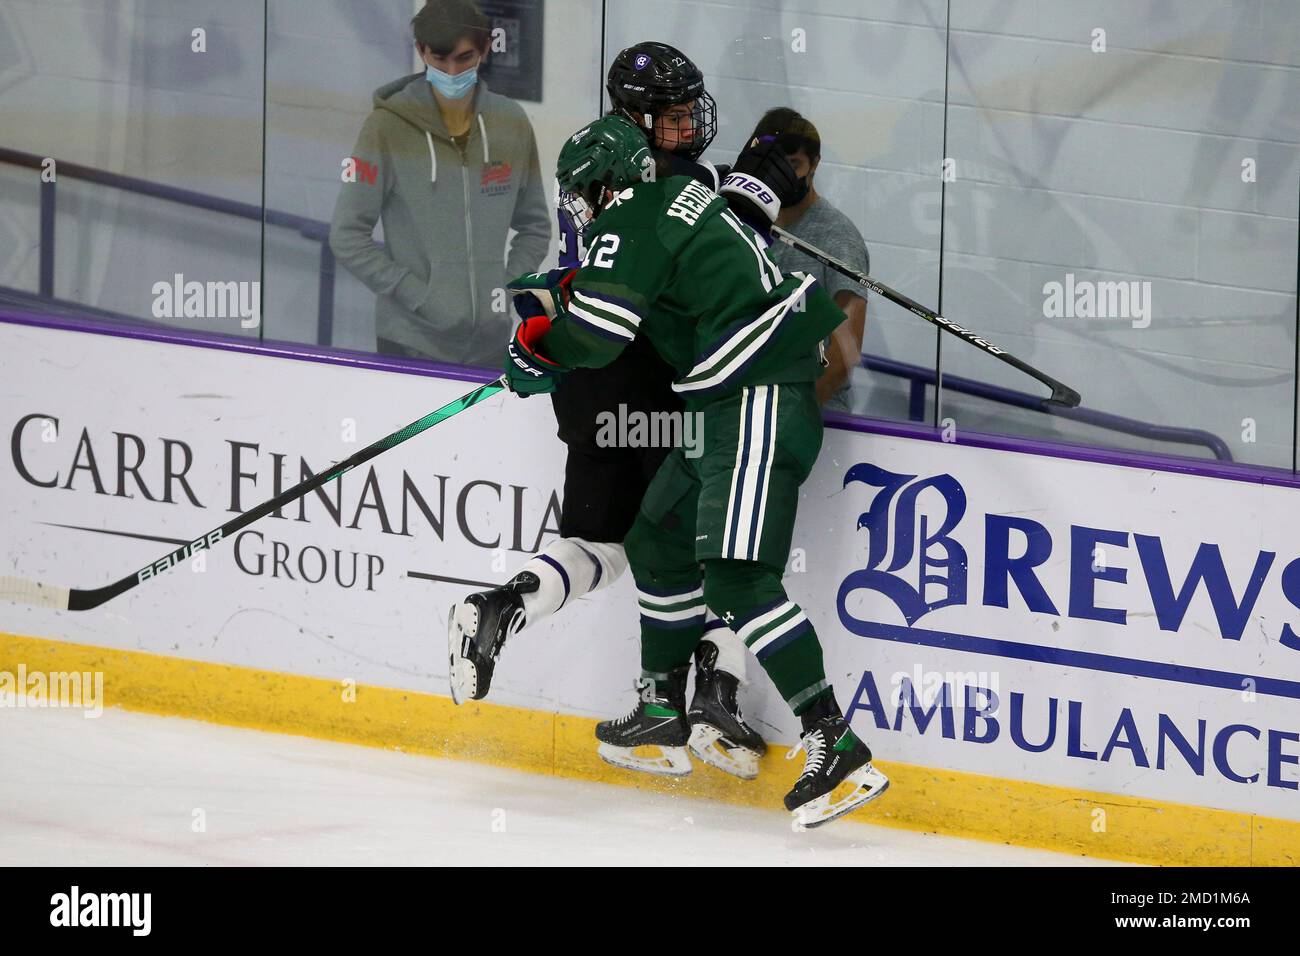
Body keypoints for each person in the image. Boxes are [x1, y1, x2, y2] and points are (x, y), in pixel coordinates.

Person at [487, 115, 890, 827]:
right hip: (721, 400)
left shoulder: (632, 218)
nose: (581, 207)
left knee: (739, 579)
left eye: (584, 193)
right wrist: (562, 290)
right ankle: (660, 712)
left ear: (607, 183)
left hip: (757, 398)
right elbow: (644, 288)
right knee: (656, 541)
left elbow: (601, 336)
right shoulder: (681, 200)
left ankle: (835, 744)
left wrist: (536, 355)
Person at [447, 43, 800, 782]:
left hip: (591, 395)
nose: (687, 123)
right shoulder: (664, 188)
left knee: (601, 543)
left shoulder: (591, 167)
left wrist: (540, 343)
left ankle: (504, 604)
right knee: (713, 551)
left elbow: (577, 280)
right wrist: (750, 213)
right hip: (662, 392)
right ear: (637, 116)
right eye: (672, 115)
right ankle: (714, 700)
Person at [329, 0, 550, 366]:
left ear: (483, 51)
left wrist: (506, 287)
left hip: (491, 344)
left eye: (464, 58)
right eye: (439, 58)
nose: (451, 71)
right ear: (421, 52)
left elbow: (535, 225)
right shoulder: (386, 128)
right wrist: (419, 296)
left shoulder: (511, 123)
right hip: (410, 340)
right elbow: (347, 235)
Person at [753, 109, 869, 412]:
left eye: (795, 164)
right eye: (776, 164)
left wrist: (794, 418)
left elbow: (846, 353)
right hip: (747, 409)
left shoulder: (838, 238)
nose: (785, 175)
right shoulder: (743, 222)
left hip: (816, 423)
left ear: (815, 164)